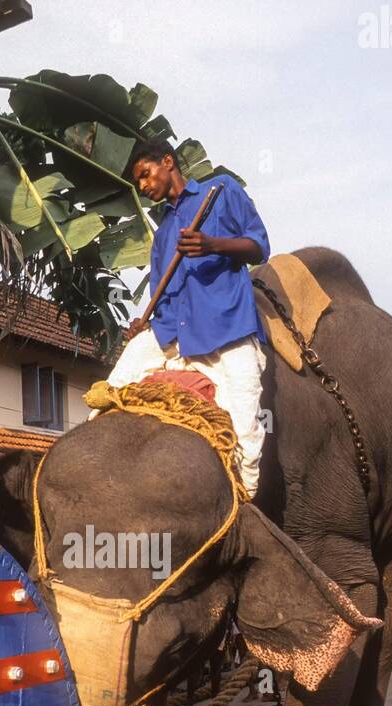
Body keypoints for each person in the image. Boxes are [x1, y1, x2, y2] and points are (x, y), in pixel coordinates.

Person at [105, 140, 270, 494]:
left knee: (245, 428)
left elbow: (260, 246)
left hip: (226, 329)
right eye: (139, 184)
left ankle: (245, 506)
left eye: (146, 175)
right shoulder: (163, 234)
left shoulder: (222, 192)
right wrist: (144, 324)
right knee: (111, 391)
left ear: (168, 162)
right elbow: (161, 297)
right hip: (170, 333)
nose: (145, 187)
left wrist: (213, 245)